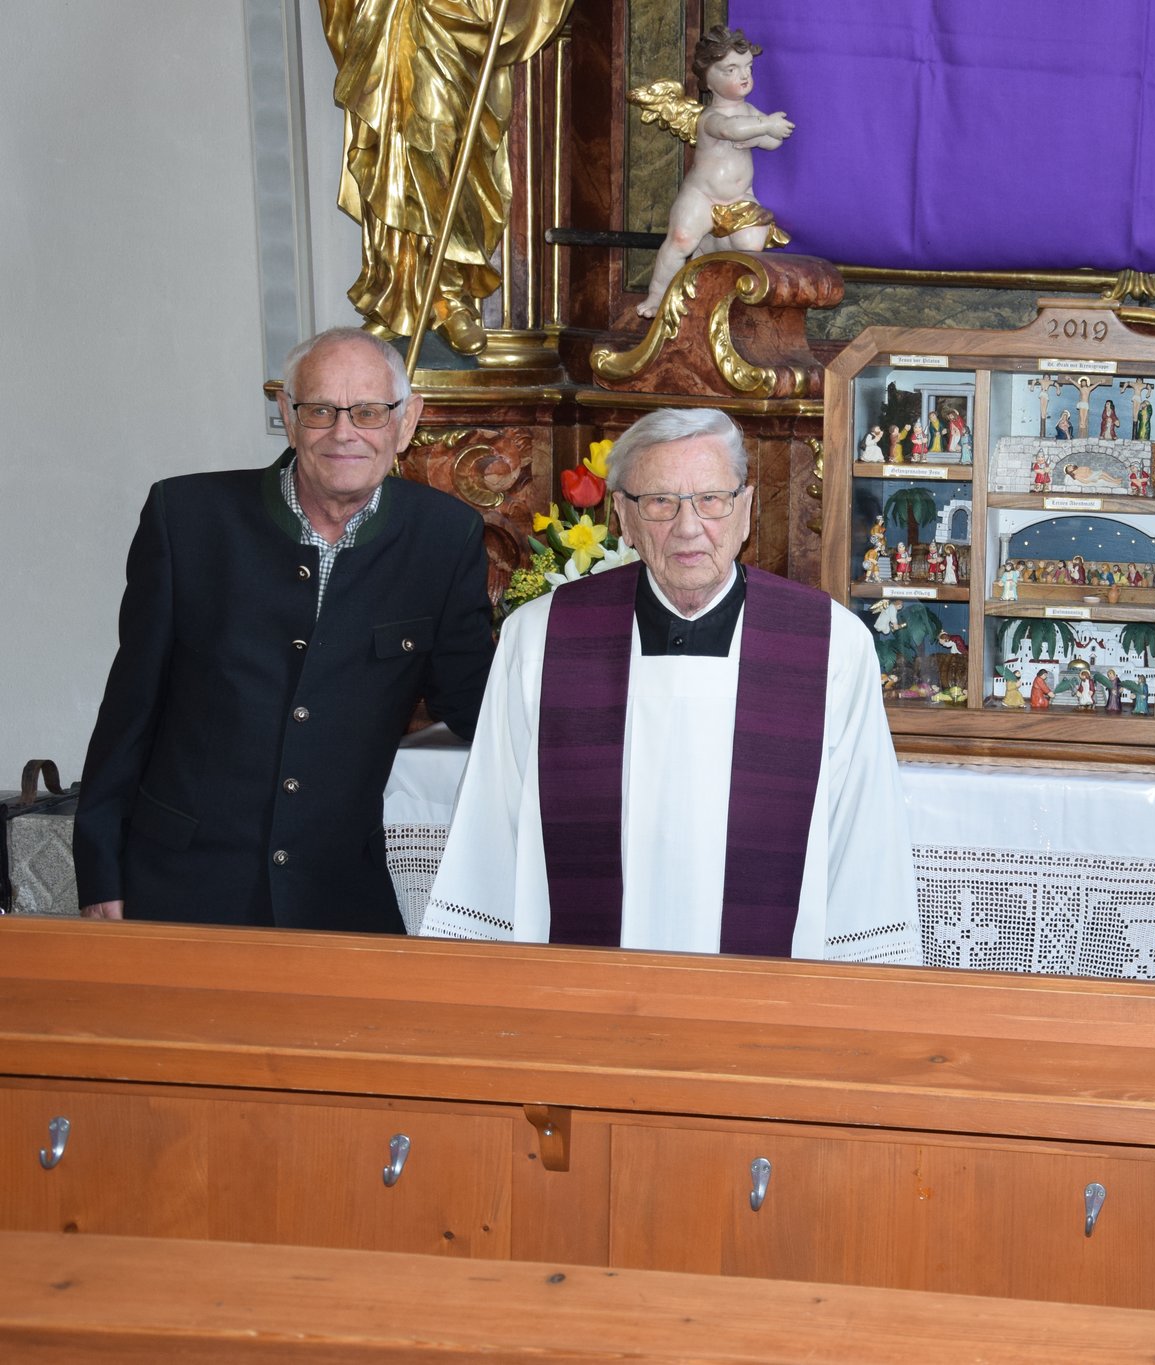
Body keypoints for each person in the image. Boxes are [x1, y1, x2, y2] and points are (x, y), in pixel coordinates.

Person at [421, 407, 919, 961]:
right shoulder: (538, 640)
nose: (688, 527)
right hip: (585, 1001)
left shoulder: (830, 645)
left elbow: (863, 839)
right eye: (659, 502)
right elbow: (491, 826)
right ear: (622, 518)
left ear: (746, 508)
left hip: (770, 1009)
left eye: (711, 499)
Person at [73, 328, 495, 930]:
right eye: (320, 410)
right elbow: (128, 710)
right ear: (287, 416)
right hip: (180, 885)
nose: (344, 433)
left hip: (339, 892)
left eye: (370, 413)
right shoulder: (187, 519)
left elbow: (472, 699)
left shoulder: (444, 537)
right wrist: (101, 874)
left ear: (407, 421)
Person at [321, 0, 573, 353]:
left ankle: (449, 298)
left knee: (442, 144)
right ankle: (397, 296)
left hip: (453, 17)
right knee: (394, 151)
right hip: (388, 15)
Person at [637, 26, 795, 317]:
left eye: (747, 67)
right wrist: (764, 127)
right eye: (730, 70)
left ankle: (711, 243)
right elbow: (729, 129)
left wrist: (761, 135)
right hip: (702, 195)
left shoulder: (750, 111)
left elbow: (772, 142)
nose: (744, 76)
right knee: (680, 239)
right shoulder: (710, 116)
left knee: (751, 246)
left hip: (740, 197)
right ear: (707, 79)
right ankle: (657, 295)